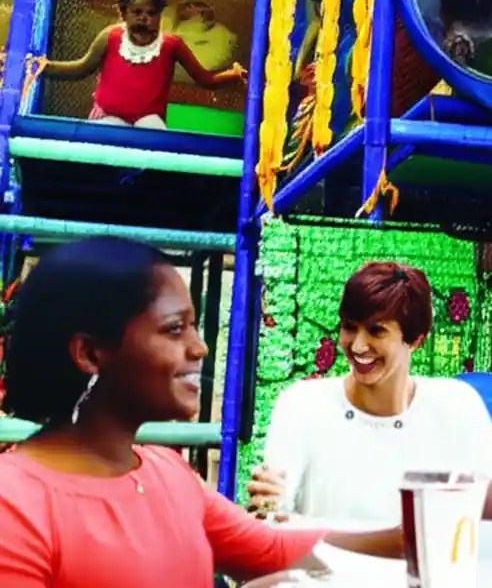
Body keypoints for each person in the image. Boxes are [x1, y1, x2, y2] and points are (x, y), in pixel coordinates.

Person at [0, 238, 404, 587]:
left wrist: (417, 532)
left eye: (194, 327)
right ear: (90, 353)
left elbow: (272, 550)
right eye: (175, 329)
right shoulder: (14, 504)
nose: (200, 348)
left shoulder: (167, 473)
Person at [248, 261, 492, 525]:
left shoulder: (455, 404)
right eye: (350, 328)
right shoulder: (303, 404)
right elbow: (273, 514)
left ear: (415, 340)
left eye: (376, 331)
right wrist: (269, 506)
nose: (358, 346)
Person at [34, 0, 247, 130]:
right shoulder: (111, 37)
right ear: (124, 13)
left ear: (159, 16)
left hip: (148, 120)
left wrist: (234, 75)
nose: (145, 18)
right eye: (137, 13)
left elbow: (205, 79)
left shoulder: (171, 45)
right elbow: (82, 67)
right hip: (109, 116)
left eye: (151, 13)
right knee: (108, 133)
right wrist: (43, 68)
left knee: (153, 134)